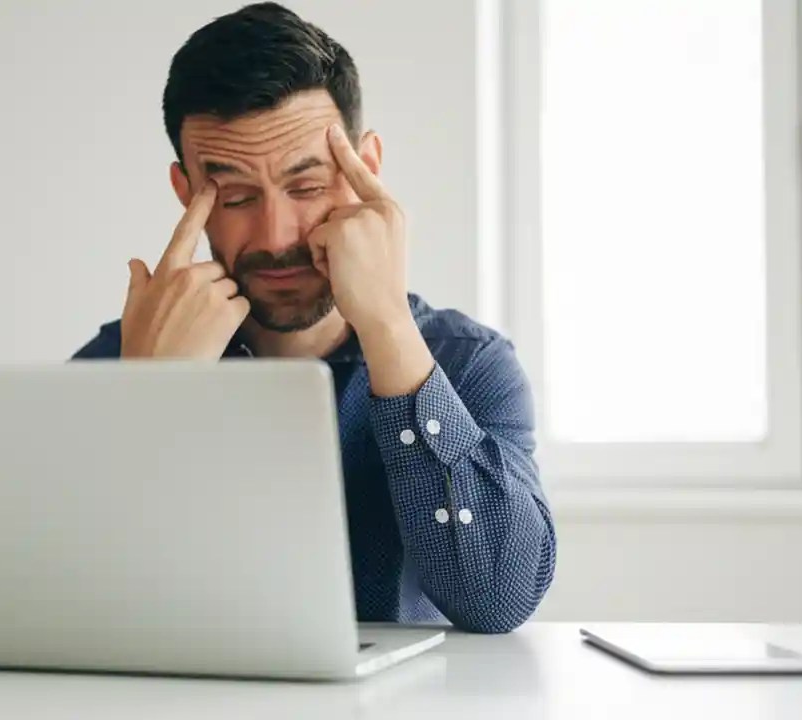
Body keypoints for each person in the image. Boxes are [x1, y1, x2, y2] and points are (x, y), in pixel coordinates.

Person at [73, 2, 554, 633]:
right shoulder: (122, 363)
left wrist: (386, 326)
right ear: (186, 194)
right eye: (237, 197)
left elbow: (499, 598)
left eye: (306, 187)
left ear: (367, 171)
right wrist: (149, 405)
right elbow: (66, 609)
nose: (277, 234)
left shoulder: (466, 364)